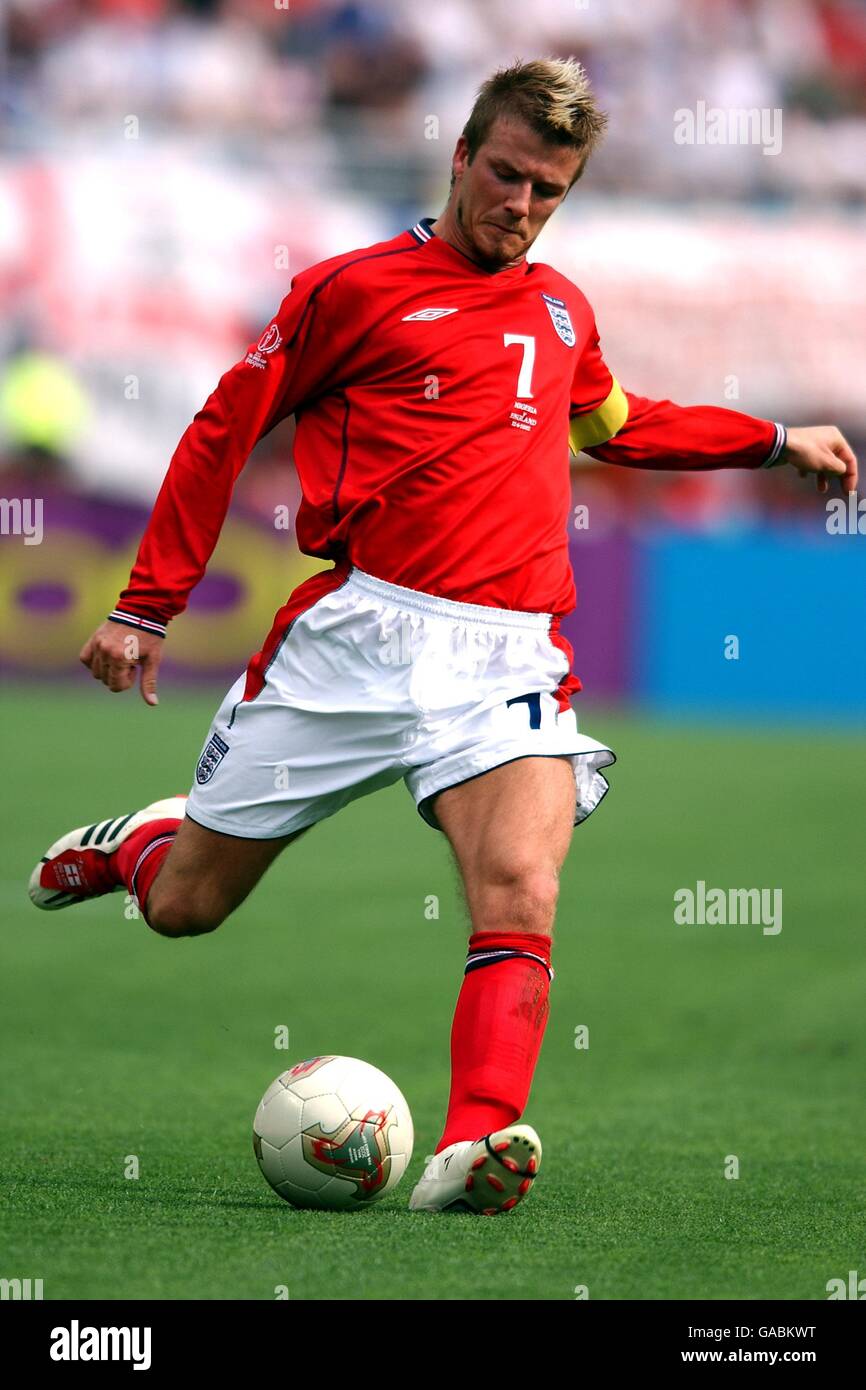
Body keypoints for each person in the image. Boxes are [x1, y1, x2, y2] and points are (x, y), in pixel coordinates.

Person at [29, 58, 858, 1215]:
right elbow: (225, 429)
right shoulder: (350, 292)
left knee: (520, 882)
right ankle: (138, 846)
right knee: (187, 907)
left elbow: (617, 426)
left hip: (507, 650)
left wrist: (770, 438)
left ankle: (476, 1143)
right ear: (460, 155)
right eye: (506, 176)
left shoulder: (563, 308)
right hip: (357, 636)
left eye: (548, 191)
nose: (518, 207)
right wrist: (143, 604)